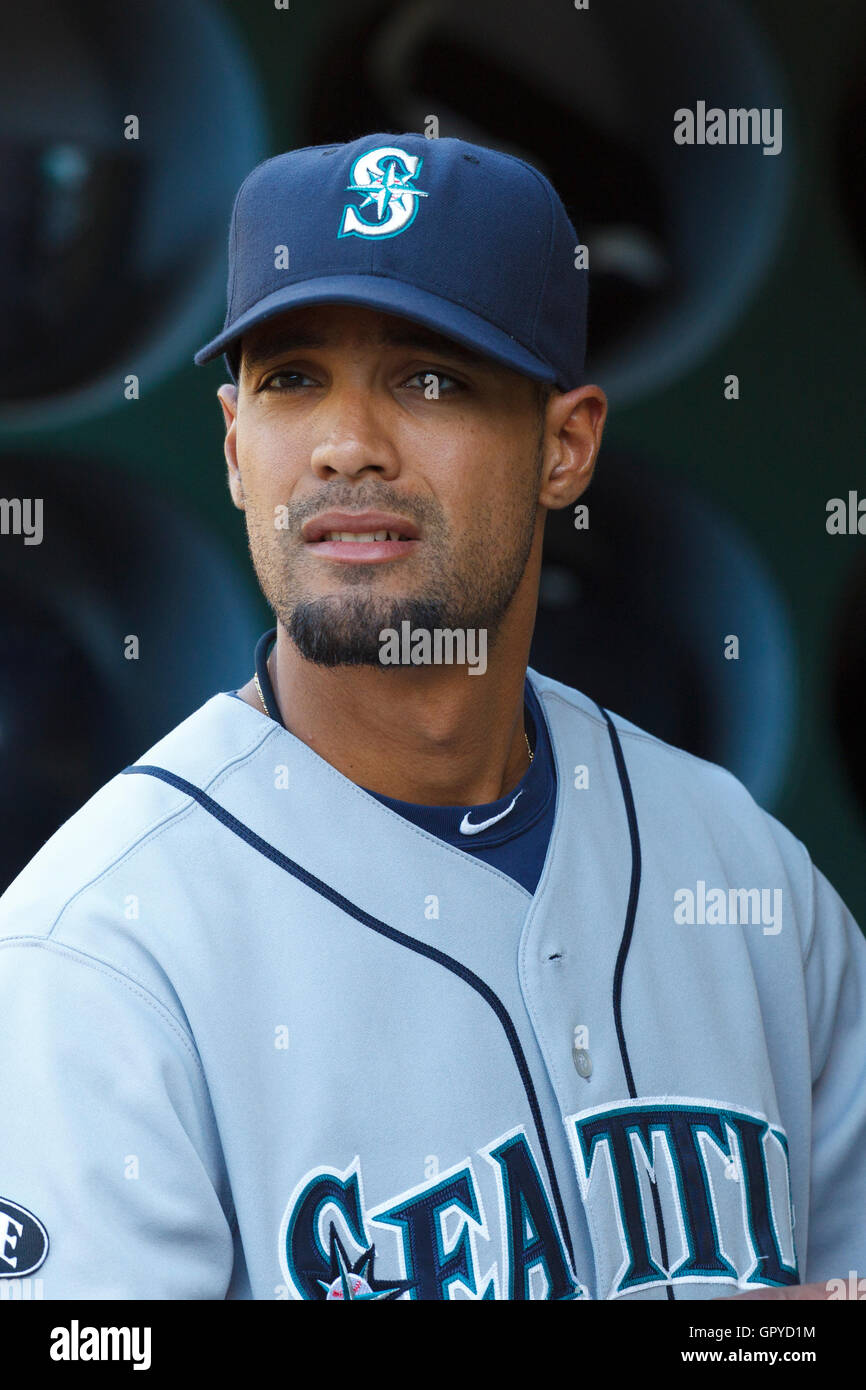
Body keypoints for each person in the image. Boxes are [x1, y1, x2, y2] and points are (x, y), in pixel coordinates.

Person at [1, 132, 864, 1302]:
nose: (348, 445)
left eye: (430, 377)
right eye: (292, 379)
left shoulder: (742, 870)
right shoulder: (96, 950)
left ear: (564, 445)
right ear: (234, 448)